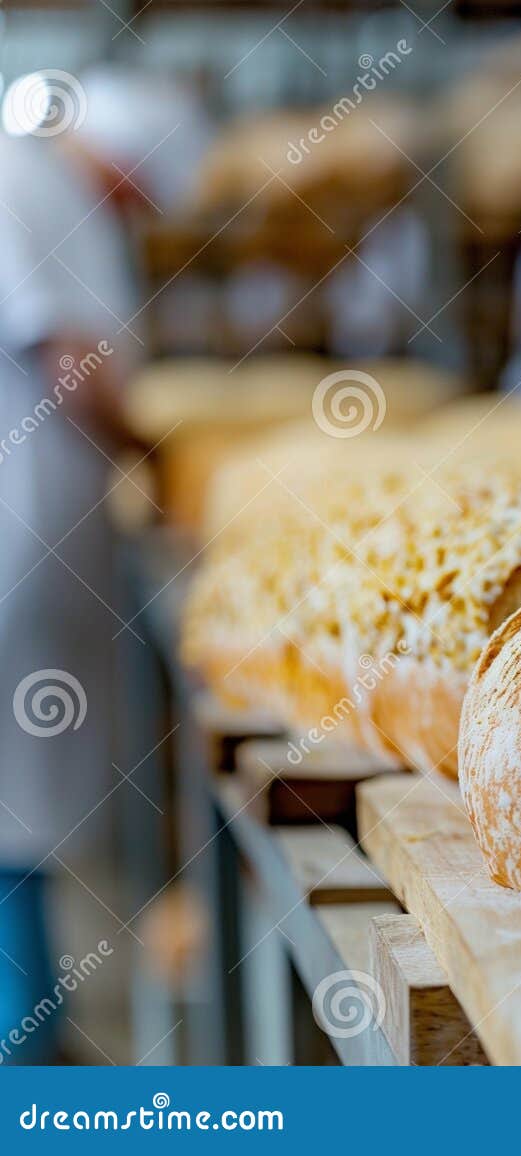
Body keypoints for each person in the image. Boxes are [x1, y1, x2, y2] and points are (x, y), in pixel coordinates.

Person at [0, 66, 207, 1063]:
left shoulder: (49, 190)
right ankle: (25, 1044)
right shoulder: (23, 179)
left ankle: (34, 1024)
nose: (136, 210)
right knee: (12, 810)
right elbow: (68, 360)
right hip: (17, 540)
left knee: (22, 809)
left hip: (39, 542)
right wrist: (151, 447)